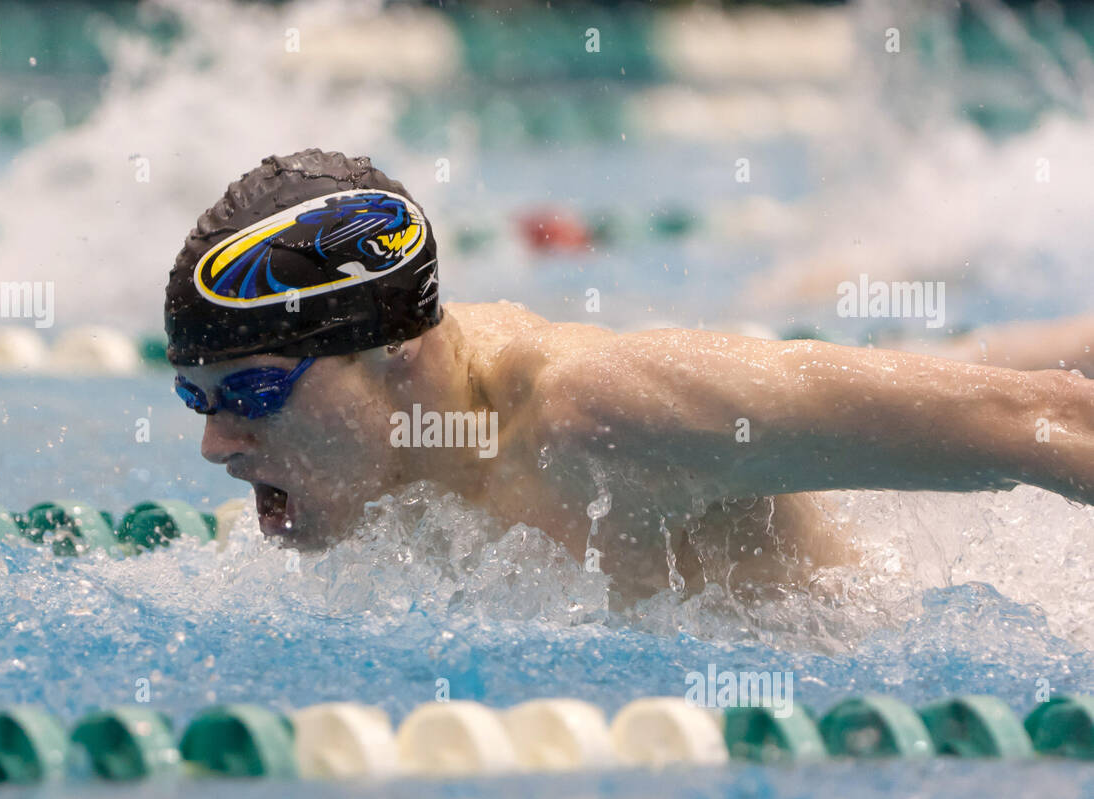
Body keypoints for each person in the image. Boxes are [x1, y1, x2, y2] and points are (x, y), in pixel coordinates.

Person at [165, 148, 1094, 602]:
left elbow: (1049, 419)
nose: (215, 445)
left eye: (250, 396)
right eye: (197, 400)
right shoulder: (376, 465)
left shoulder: (601, 413)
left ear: (389, 350)